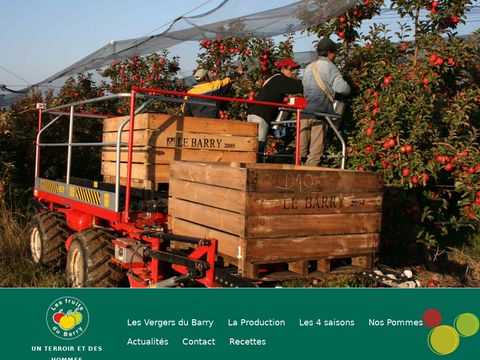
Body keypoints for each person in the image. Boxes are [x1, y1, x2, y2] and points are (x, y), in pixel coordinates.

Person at [300, 37, 350, 167]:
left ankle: (294, 173)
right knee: (315, 154)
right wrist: (350, 87)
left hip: (304, 112)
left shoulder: (309, 67)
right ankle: (308, 179)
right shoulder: (330, 67)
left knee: (300, 151)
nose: (336, 55)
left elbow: (303, 87)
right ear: (330, 53)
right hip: (320, 113)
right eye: (335, 52)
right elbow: (341, 88)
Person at [247, 58, 303, 155]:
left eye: (294, 70)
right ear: (283, 69)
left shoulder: (273, 79)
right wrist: (311, 83)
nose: (293, 72)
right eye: (291, 69)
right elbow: (298, 86)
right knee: (258, 148)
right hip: (261, 116)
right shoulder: (279, 79)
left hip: (254, 114)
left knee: (251, 146)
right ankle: (256, 168)